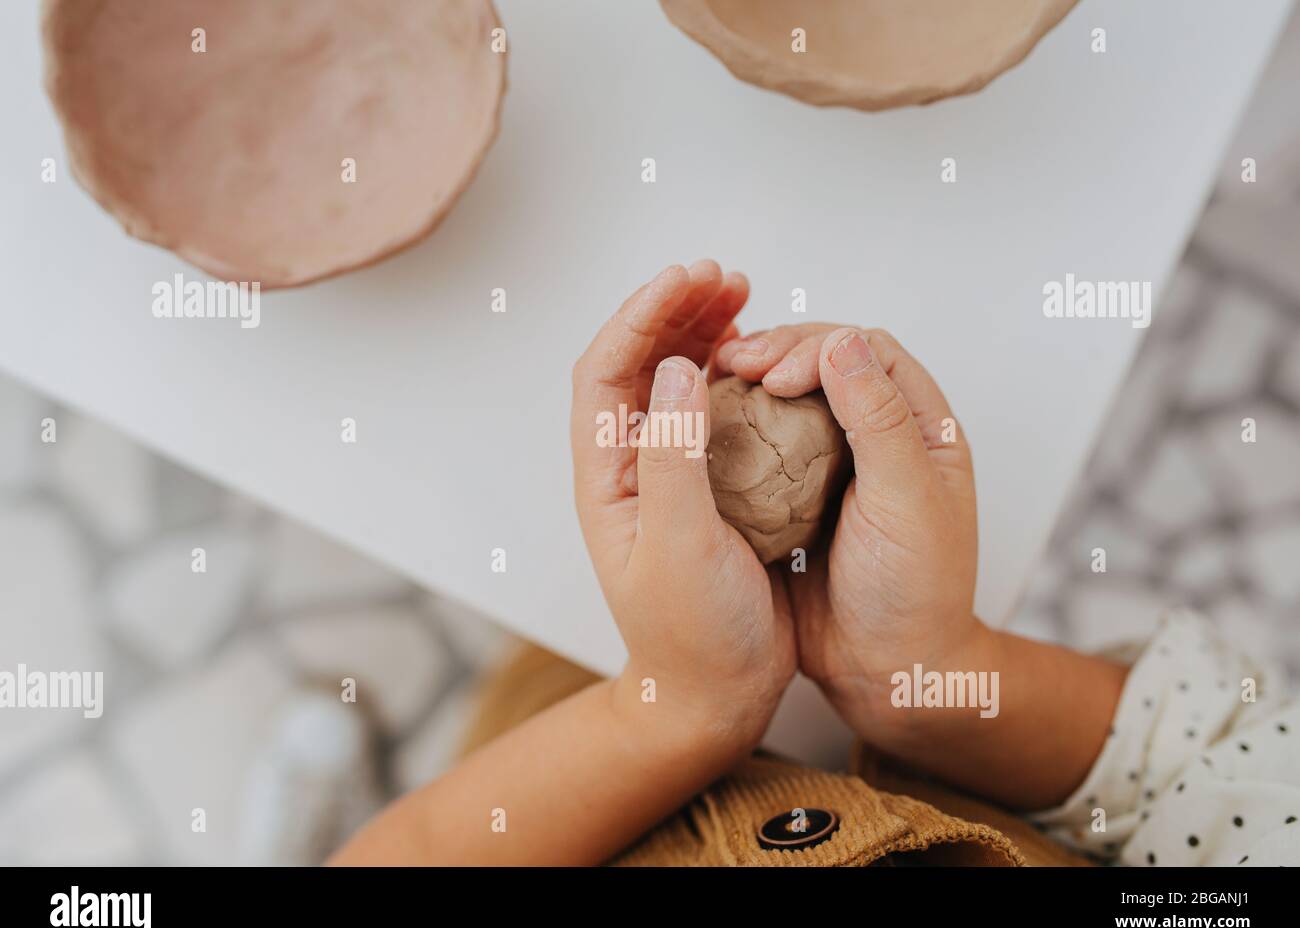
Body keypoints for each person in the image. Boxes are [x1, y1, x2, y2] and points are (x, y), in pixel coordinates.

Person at [330, 261, 1299, 867]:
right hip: (833, 718)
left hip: (557, 779)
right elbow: (1204, 774)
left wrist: (666, 708)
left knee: (556, 651)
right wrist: (925, 670)